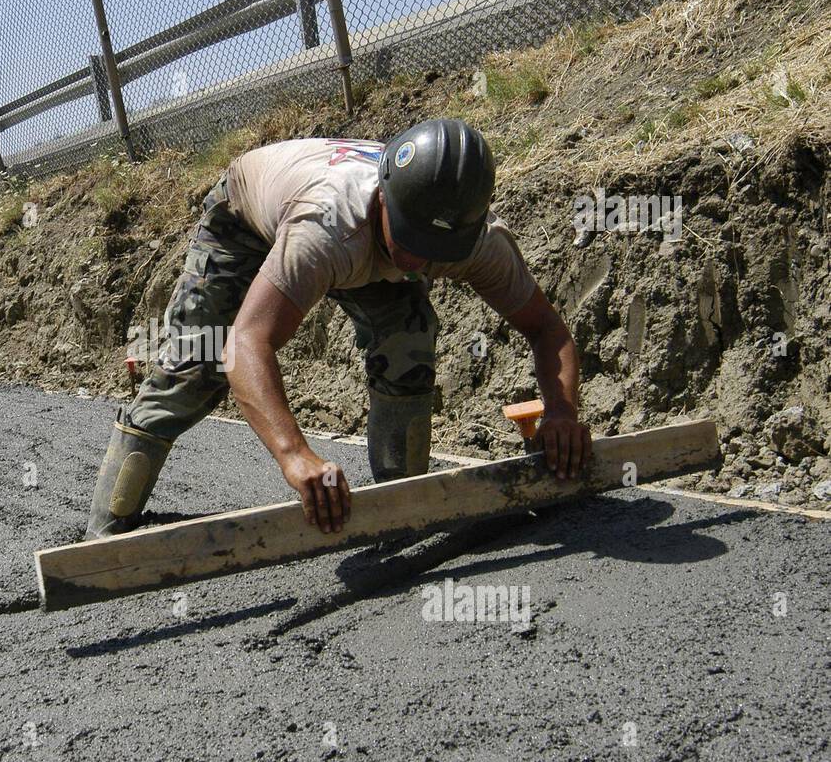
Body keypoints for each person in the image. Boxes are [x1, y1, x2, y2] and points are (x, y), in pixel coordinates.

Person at [85, 118, 593, 539]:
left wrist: (562, 410)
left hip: (359, 244)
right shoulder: (326, 229)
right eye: (411, 241)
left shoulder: (473, 239)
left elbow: (547, 328)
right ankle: (105, 528)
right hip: (248, 217)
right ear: (386, 203)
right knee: (197, 366)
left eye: (439, 254)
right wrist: (295, 455)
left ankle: (402, 506)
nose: (420, 262)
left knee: (409, 342)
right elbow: (246, 343)